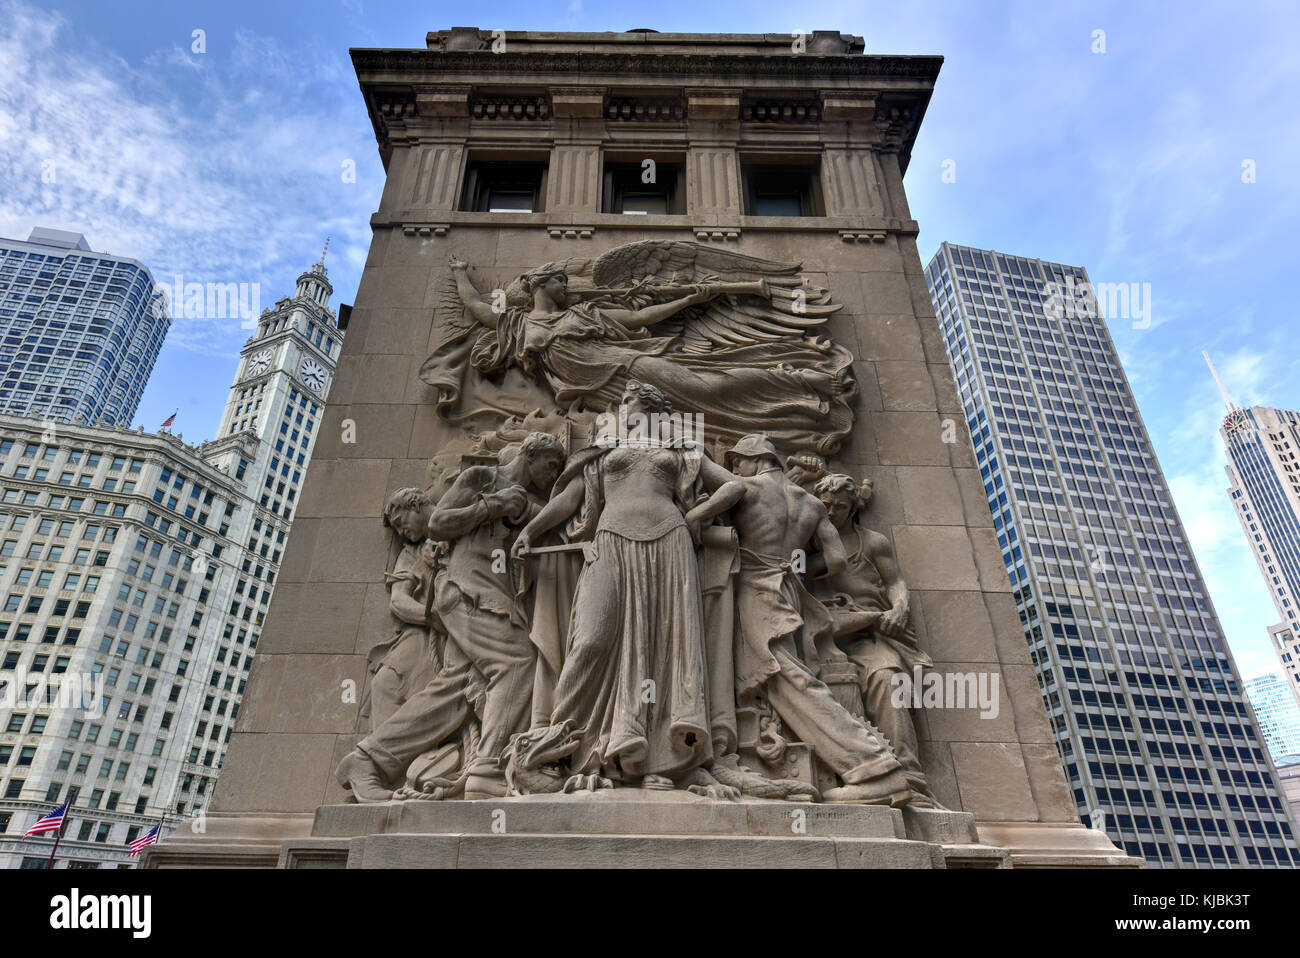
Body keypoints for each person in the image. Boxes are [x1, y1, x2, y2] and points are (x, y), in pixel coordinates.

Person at [512, 381, 743, 796]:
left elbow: (734, 486)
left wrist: (697, 516)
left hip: (670, 544)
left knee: (664, 645)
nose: (621, 407)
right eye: (621, 402)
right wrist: (531, 529)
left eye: (628, 401)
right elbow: (570, 498)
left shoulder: (680, 446)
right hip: (611, 541)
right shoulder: (605, 447)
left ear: (650, 406)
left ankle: (655, 756)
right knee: (592, 640)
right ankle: (566, 747)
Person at [336, 433, 566, 801]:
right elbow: (439, 522)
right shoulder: (481, 479)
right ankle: (487, 769)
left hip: (491, 593)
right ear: (531, 453)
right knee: (518, 661)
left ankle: (367, 760)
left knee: (459, 687)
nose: (553, 474)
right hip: (465, 590)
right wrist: (492, 505)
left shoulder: (529, 502)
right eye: (551, 465)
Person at [434, 254, 853, 453]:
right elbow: (476, 309)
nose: (567, 287)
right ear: (543, 284)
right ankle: (801, 417)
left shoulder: (585, 311)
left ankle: (804, 379)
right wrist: (459, 273)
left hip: (629, 368)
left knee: (713, 386)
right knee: (693, 428)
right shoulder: (520, 326)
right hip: (604, 398)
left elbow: (640, 319)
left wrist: (688, 300)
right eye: (560, 282)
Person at [697, 435, 916, 805]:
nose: (736, 468)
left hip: (756, 589)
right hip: (788, 592)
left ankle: (876, 768)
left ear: (756, 459)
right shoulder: (811, 502)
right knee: (779, 676)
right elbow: (836, 561)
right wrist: (791, 567)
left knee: (786, 677)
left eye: (739, 462)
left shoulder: (746, 489)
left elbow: (709, 492)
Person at [812, 474, 937, 803]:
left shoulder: (872, 542)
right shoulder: (806, 545)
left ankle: (908, 775)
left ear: (853, 508)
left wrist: (900, 607)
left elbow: (894, 580)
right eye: (826, 505)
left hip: (871, 635)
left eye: (840, 506)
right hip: (823, 636)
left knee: (888, 678)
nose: (832, 511)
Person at [362, 488, 440, 731]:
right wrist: (433, 618)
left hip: (472, 625)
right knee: (385, 684)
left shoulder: (461, 525)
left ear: (416, 506)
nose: (400, 532)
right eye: (395, 529)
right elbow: (398, 601)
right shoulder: (410, 553)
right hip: (426, 630)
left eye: (400, 523)